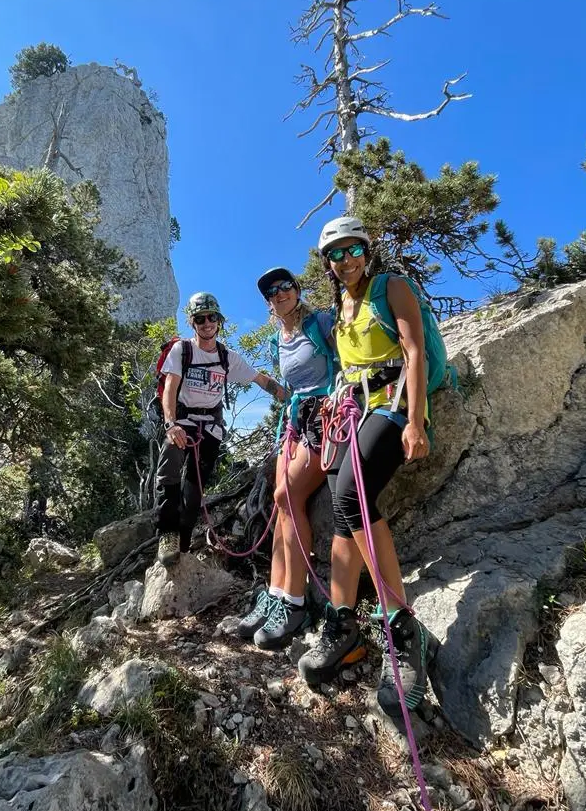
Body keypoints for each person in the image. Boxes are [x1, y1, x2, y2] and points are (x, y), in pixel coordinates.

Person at [297, 216, 438, 717]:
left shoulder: (390, 287)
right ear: (328, 264)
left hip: (393, 407)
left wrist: (416, 421)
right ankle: (342, 623)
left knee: (349, 496)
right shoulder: (341, 307)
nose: (346, 260)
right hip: (353, 411)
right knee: (339, 511)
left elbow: (414, 349)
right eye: (336, 254)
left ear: (366, 250)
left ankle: (402, 626)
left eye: (353, 249)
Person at [237, 268, 348, 652]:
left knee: (287, 496)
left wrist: (337, 400)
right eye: (272, 290)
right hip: (297, 421)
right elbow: (287, 390)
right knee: (280, 503)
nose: (280, 292)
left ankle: (295, 603)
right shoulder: (276, 341)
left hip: (327, 417)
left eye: (286, 286)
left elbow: (348, 362)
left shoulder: (320, 323)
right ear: (268, 301)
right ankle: (275, 594)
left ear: (297, 290)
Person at [156, 291, 285, 567]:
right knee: (169, 467)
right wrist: (170, 424)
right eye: (200, 319)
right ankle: (167, 534)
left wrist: (287, 396)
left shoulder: (227, 357)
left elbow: (260, 379)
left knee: (193, 490)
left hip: (211, 429)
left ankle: (184, 542)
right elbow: (170, 388)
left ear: (219, 320)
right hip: (184, 422)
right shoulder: (183, 350)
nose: (207, 323)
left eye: (211, 317)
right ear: (193, 323)